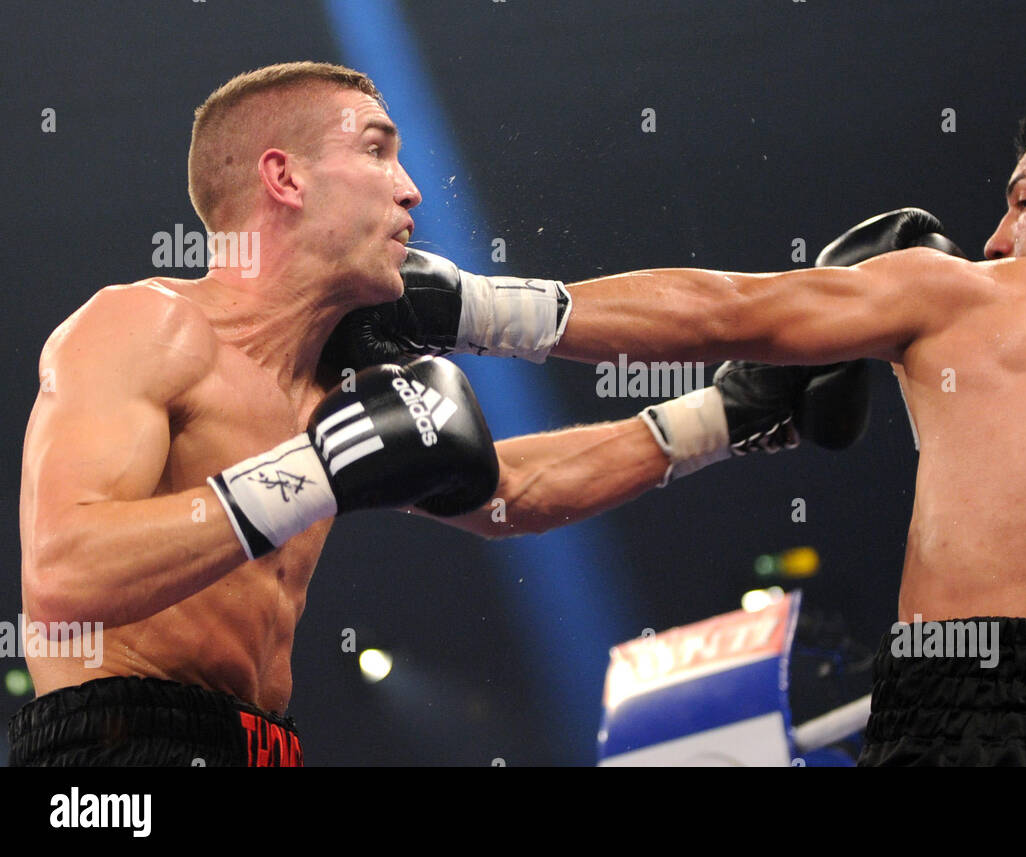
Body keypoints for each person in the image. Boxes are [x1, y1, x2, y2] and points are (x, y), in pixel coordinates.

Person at [339, 97, 1026, 765]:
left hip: (975, 716)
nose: (996, 236)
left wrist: (466, 304)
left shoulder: (975, 294)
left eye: (1024, 200)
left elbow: (720, 311)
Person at [11, 62, 867, 766]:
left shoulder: (338, 379)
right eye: (378, 152)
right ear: (285, 175)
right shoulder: (145, 324)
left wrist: (723, 413)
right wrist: (312, 472)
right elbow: (64, 576)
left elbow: (506, 494)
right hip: (115, 750)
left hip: (268, 746)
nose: (413, 191)